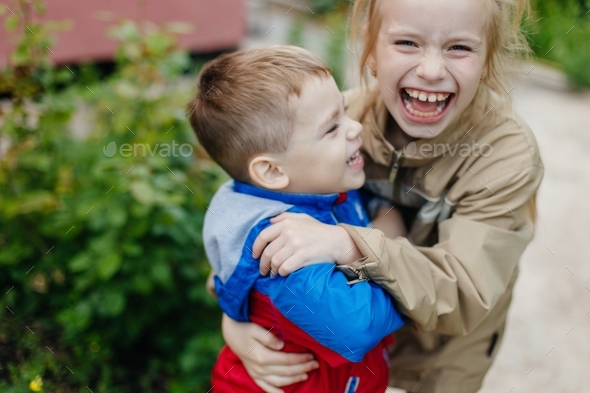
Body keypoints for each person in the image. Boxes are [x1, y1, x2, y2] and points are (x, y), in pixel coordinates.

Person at [220, 0, 544, 392]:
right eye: (407, 42)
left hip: (436, 365)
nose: (431, 70)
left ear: (487, 58)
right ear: (371, 50)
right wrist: (234, 319)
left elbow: (465, 289)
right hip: (340, 366)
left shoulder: (505, 154)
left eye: (460, 47)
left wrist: (350, 243)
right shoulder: (342, 120)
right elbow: (247, 218)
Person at [187, 45, 406, 392]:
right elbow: (357, 328)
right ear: (272, 171)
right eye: (332, 128)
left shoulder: (316, 186)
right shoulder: (283, 252)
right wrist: (394, 246)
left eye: (345, 112)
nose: (354, 128)